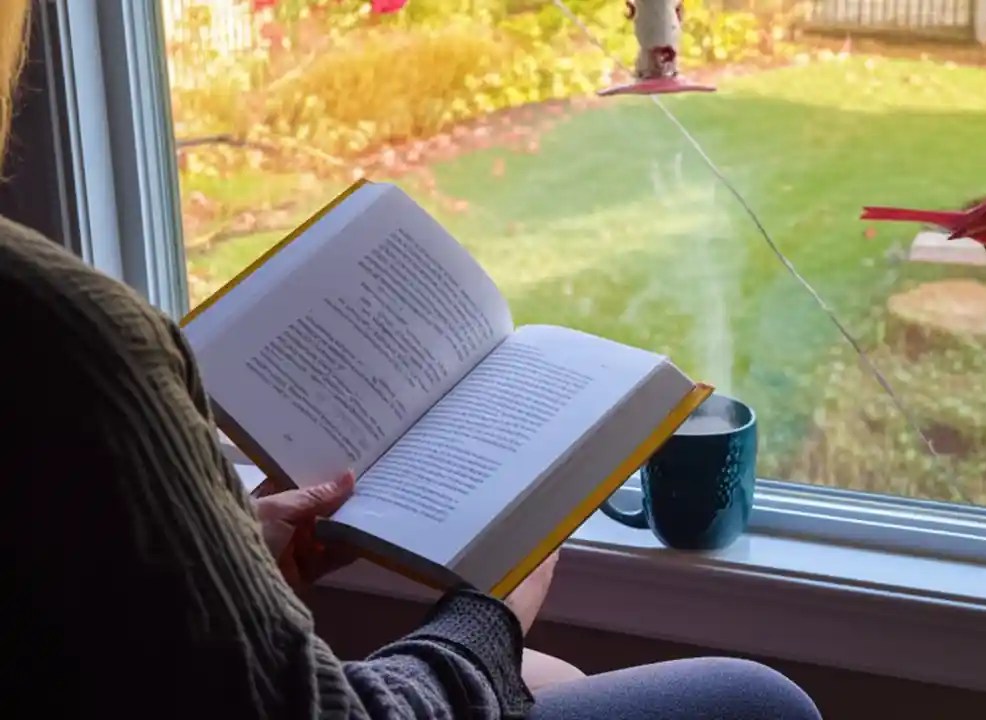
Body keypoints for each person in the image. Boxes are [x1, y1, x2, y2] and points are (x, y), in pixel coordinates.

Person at [0, 3, 822, 718]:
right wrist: (488, 615)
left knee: (553, 676)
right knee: (756, 702)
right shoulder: (69, 337)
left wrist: (219, 559)